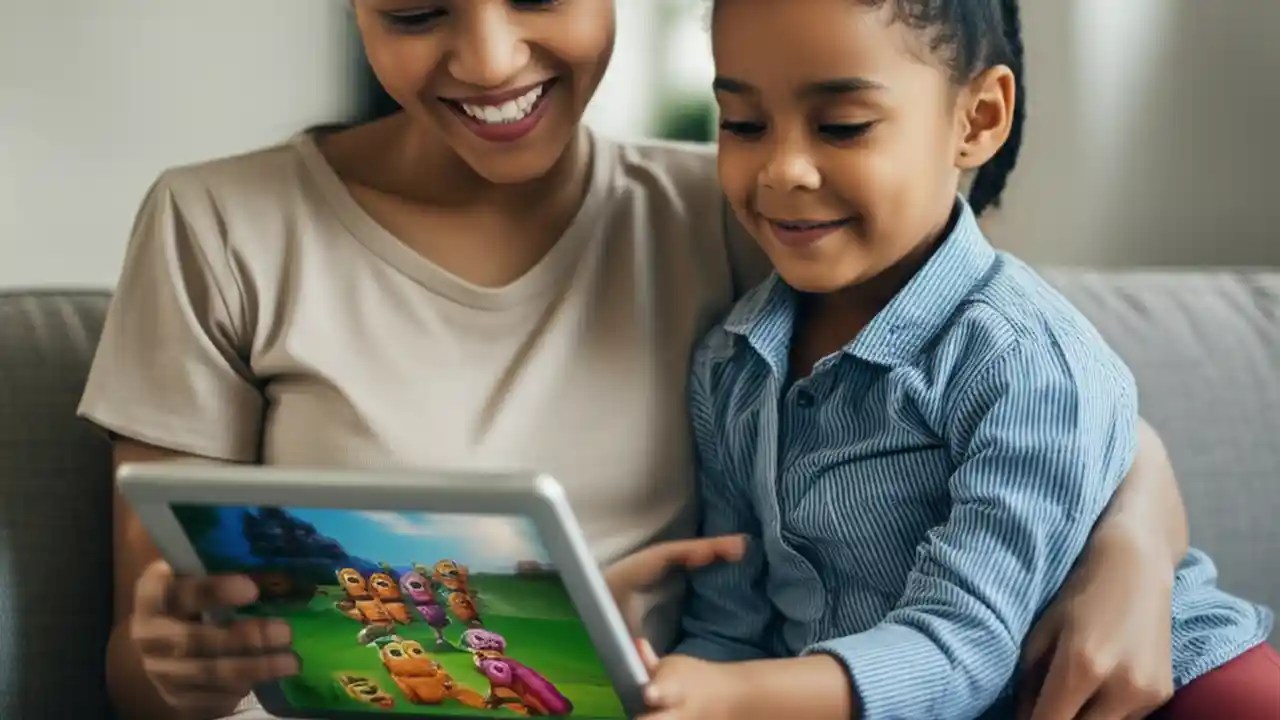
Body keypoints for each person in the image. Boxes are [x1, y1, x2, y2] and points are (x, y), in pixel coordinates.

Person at [78, 2, 1197, 719]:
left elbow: (1032, 380)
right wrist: (174, 665)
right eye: (416, 8)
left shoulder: (733, 201)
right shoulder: (214, 225)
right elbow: (142, 658)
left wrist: (1133, 558)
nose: (486, 57)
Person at [635, 1, 1279, 719]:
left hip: (1182, 695)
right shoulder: (732, 364)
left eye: (843, 126)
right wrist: (673, 684)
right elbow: (730, 625)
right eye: (745, 125)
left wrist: (735, 699)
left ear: (977, 120)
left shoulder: (1024, 360)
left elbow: (966, 645)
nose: (783, 170)